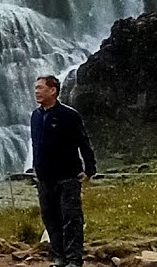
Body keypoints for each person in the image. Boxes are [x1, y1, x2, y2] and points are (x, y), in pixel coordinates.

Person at [30, 74, 96, 267]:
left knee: (71, 219)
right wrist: (36, 169)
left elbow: (83, 142)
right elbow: (36, 145)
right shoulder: (36, 116)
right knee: (50, 219)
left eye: (40, 88)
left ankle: (74, 260)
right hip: (44, 178)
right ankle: (59, 257)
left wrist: (90, 169)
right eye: (36, 88)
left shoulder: (69, 115)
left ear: (53, 90)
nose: (37, 91)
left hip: (67, 176)